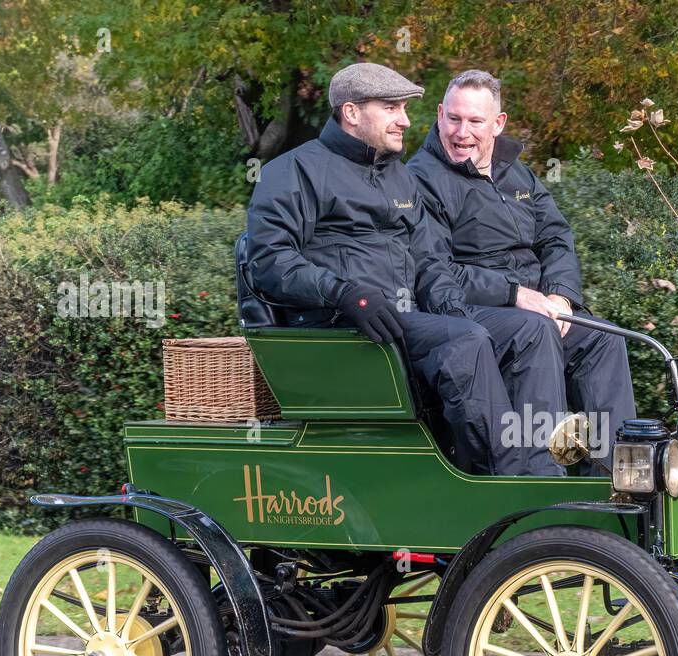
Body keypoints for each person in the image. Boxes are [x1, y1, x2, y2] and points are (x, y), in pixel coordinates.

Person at [243, 62, 566, 476]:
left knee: (528, 329)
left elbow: (430, 262)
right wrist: (347, 295)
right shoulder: (292, 171)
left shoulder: (398, 178)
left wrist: (454, 310)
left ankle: (542, 472)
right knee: (464, 341)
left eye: (404, 108)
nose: (405, 120)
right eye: (392, 107)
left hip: (404, 320)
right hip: (341, 327)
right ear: (352, 113)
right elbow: (269, 262)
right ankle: (502, 483)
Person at [408, 69, 637, 467]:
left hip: (536, 305)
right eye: (455, 118)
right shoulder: (420, 180)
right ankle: (538, 481)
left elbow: (555, 238)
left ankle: (618, 478)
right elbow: (434, 271)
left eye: (475, 121)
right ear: (440, 114)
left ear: (498, 124)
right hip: (472, 311)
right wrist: (515, 295)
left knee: (602, 338)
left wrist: (561, 296)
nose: (462, 132)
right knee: (534, 331)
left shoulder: (518, 174)